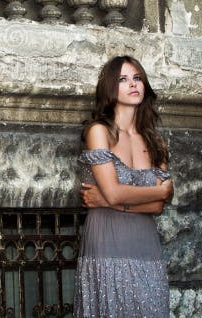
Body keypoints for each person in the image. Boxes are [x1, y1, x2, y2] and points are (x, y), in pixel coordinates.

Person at [73, 56, 173, 318]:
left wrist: (106, 200)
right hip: (107, 240)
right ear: (110, 87)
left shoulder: (156, 141)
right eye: (123, 79)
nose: (133, 84)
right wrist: (158, 192)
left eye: (137, 78)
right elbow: (118, 191)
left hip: (146, 244)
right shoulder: (99, 132)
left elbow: (158, 205)